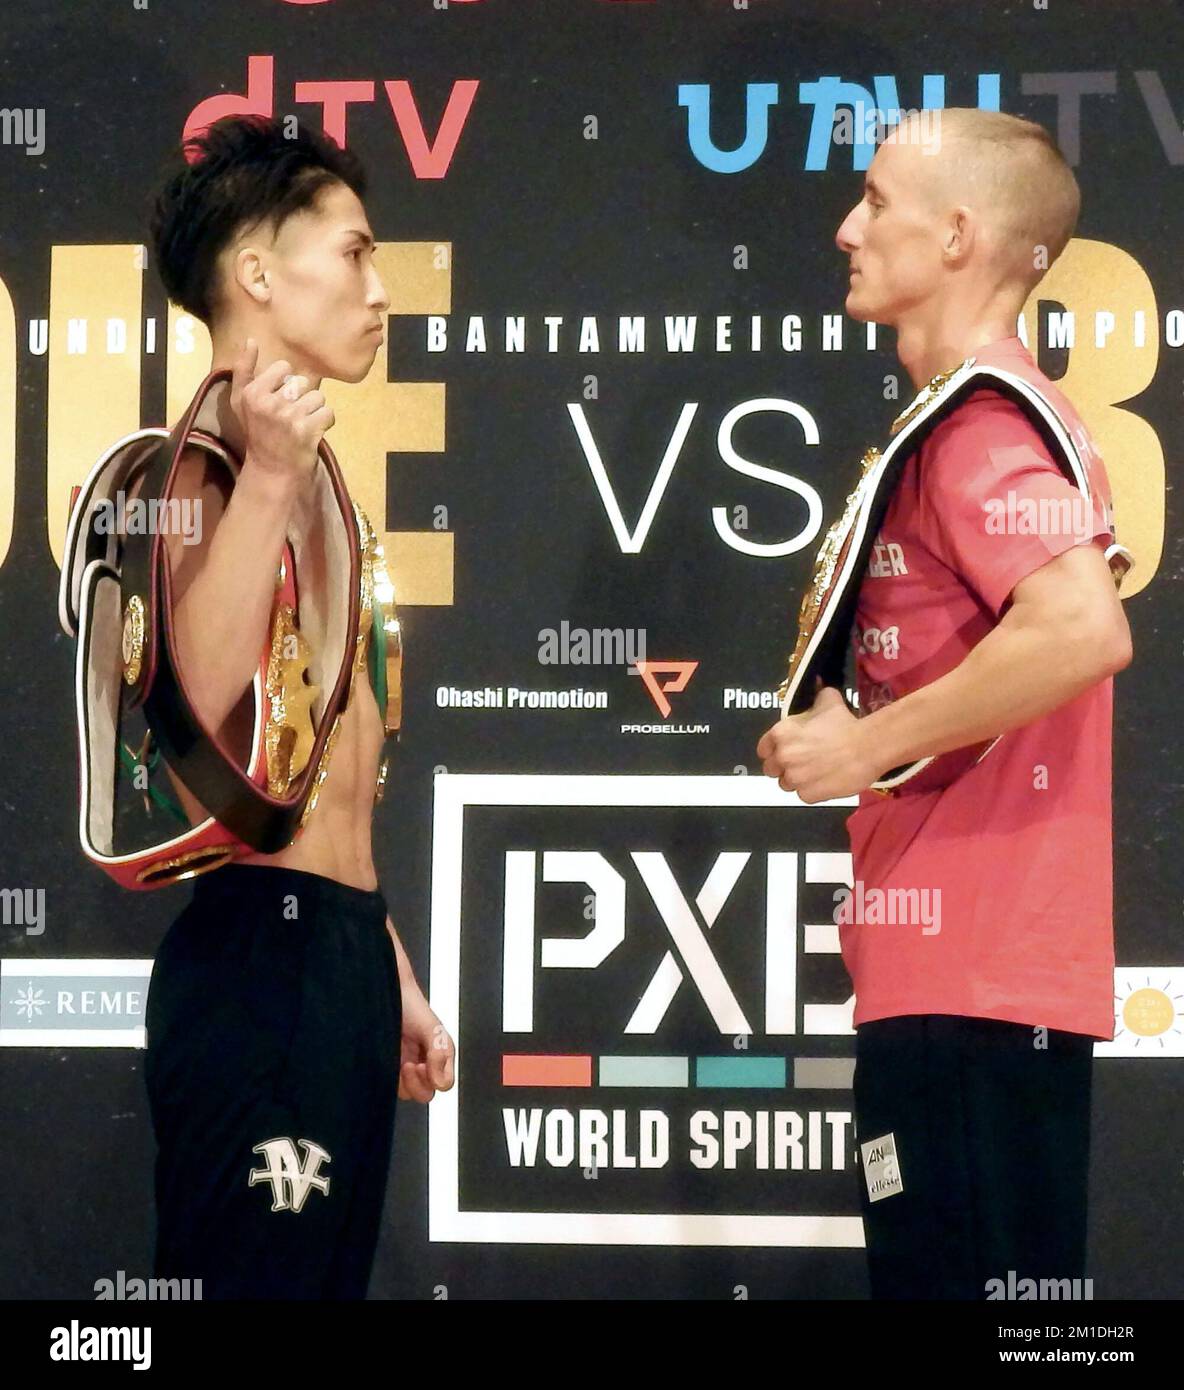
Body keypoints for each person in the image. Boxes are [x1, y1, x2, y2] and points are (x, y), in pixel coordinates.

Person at [757, 108, 1133, 1300]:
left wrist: (861, 743)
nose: (844, 227)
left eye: (874, 201)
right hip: (966, 980)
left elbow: (1082, 626)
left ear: (960, 235)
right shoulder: (980, 418)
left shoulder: (977, 427)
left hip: (972, 982)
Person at [141, 114, 455, 1299]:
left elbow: (321, 765)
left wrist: (387, 968)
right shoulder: (204, 463)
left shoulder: (302, 464)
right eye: (358, 254)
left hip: (329, 952)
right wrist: (268, 473)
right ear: (259, 273)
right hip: (255, 965)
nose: (381, 291)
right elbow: (198, 702)